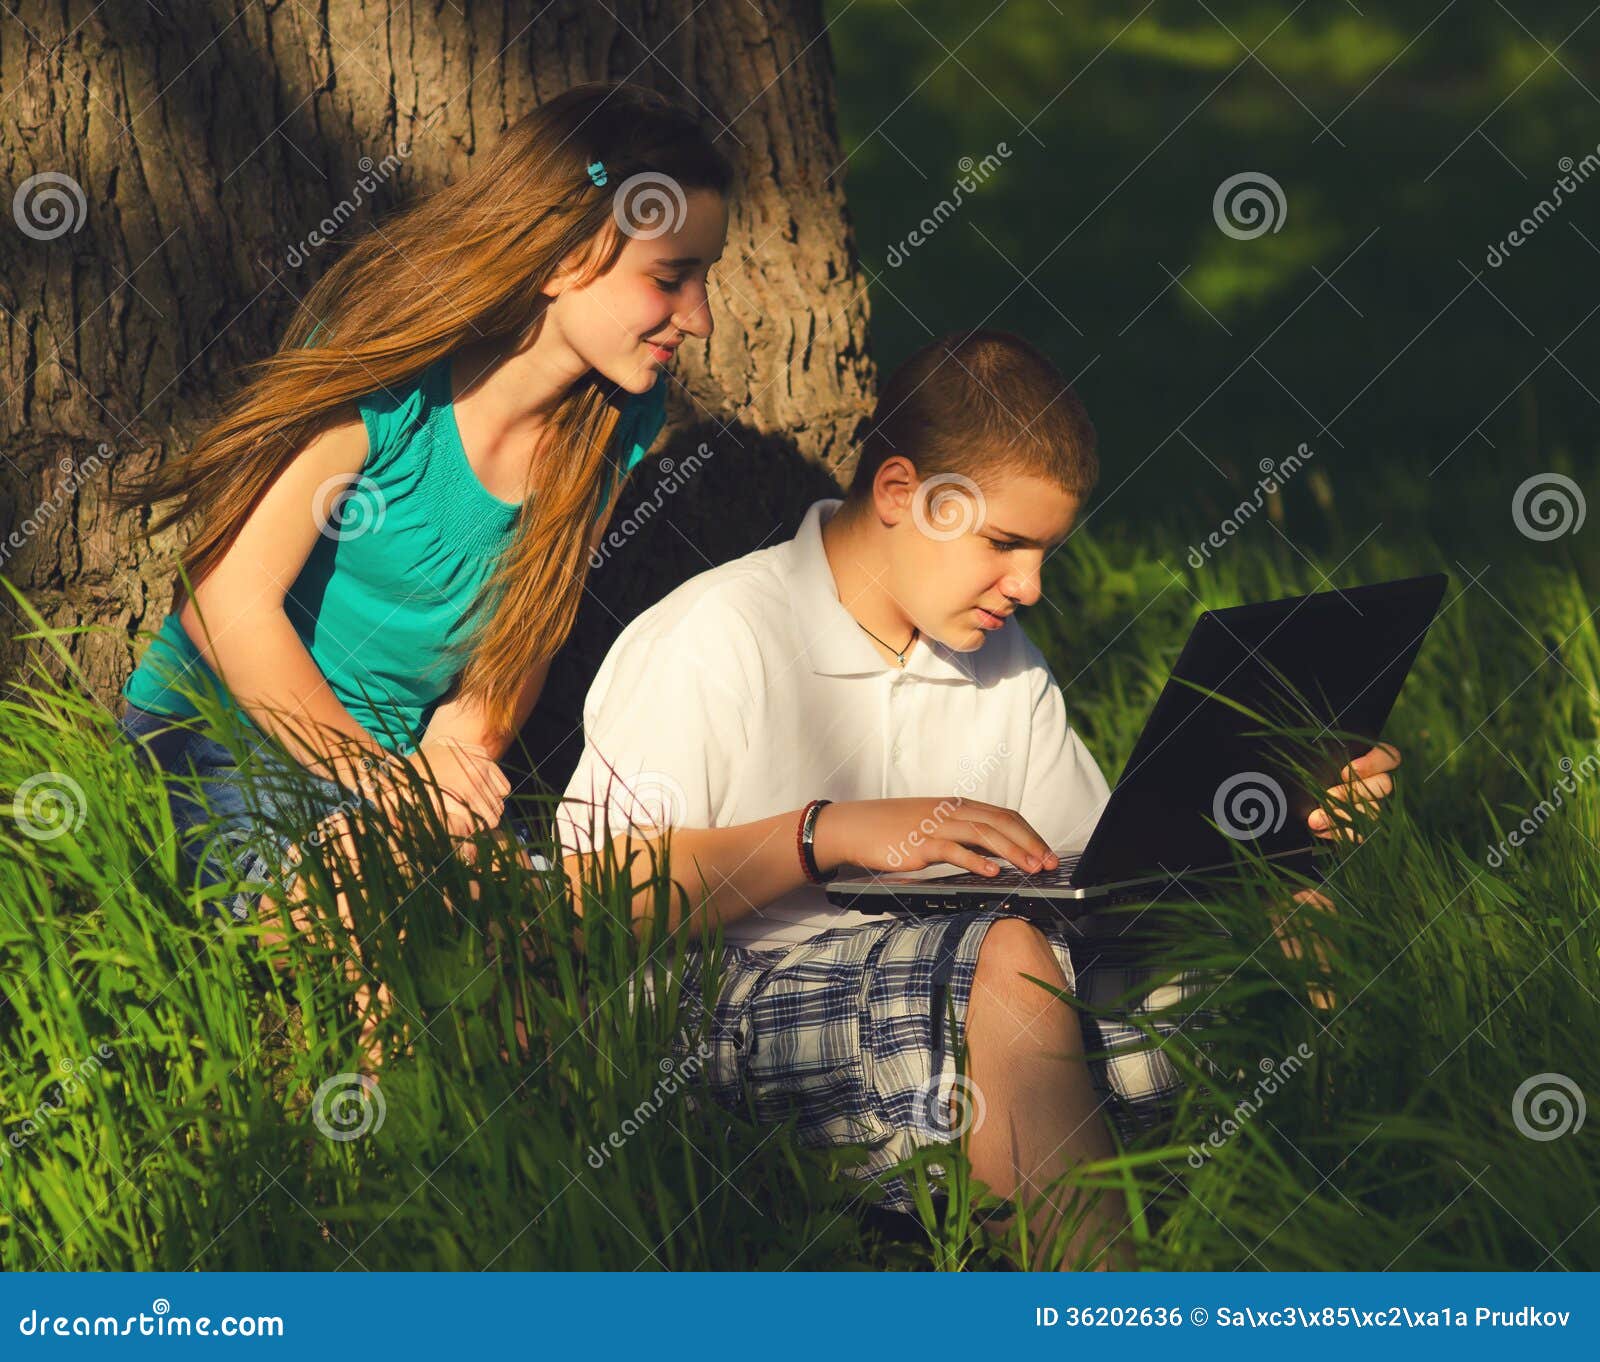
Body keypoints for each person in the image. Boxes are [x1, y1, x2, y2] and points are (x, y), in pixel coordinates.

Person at [554, 328, 1400, 1269]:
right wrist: (821, 835)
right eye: (1004, 544)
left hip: (954, 988)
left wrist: (1272, 840)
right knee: (1003, 959)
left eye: (1045, 552)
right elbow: (587, 906)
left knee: (1275, 924)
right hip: (727, 1019)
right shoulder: (715, 639)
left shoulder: (998, 665)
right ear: (898, 494)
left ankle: (1313, 1239)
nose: (1030, 587)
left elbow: (1098, 880)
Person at [109, 81, 733, 925]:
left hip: (395, 779)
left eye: (705, 279)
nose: (697, 318)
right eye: (671, 279)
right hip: (223, 741)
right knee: (381, 911)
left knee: (528, 929)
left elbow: (531, 623)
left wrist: (456, 755)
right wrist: (383, 788)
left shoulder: (616, 416)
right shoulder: (396, 368)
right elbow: (227, 600)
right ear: (563, 258)